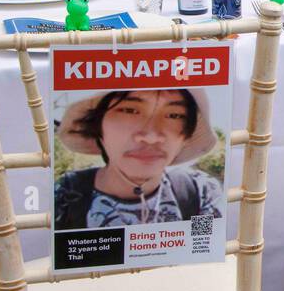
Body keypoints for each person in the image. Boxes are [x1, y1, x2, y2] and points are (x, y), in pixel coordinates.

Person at [55, 87, 224, 229]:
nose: (151, 136)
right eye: (130, 110)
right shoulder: (64, 196)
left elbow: (203, 254)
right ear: (97, 126)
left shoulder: (201, 193)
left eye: (174, 115)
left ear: (186, 136)